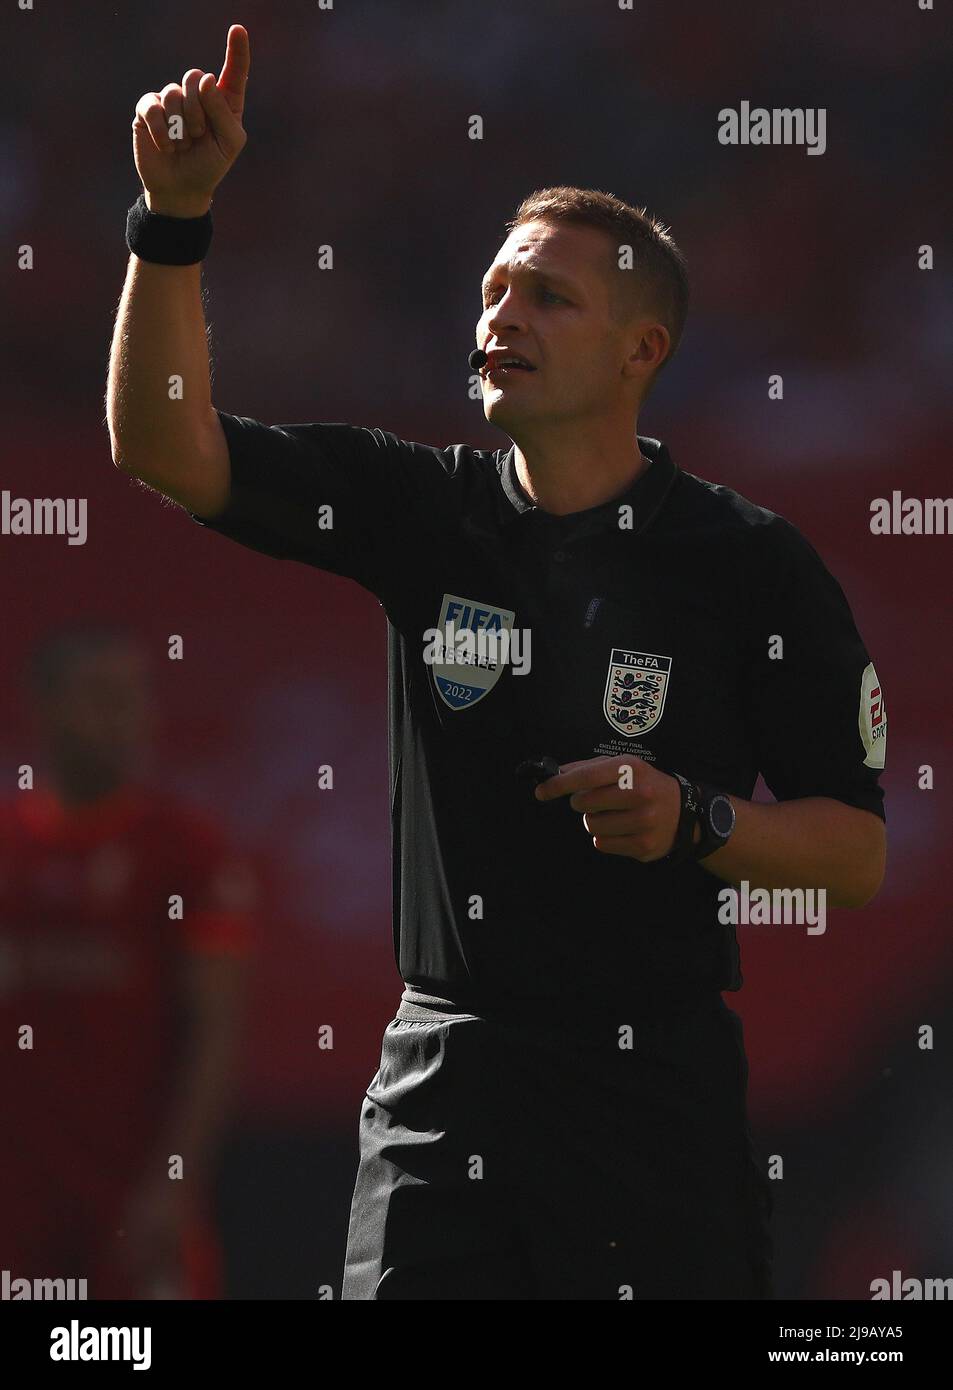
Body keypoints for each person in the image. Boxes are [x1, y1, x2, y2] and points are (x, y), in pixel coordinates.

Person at [106, 25, 887, 1299]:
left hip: (650, 1091)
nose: (502, 315)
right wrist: (172, 220)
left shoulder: (750, 565)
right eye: (493, 291)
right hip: (443, 1077)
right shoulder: (420, 508)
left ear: (642, 352)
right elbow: (161, 447)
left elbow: (852, 852)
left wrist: (689, 819)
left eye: (549, 297)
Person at [0, 625, 256, 1298]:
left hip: (134, 1201)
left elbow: (214, 1031)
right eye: (102, 698)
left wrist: (174, 1181)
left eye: (135, 698)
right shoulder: (8, 847)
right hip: (18, 1201)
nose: (127, 719)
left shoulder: (184, 850)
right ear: (46, 707)